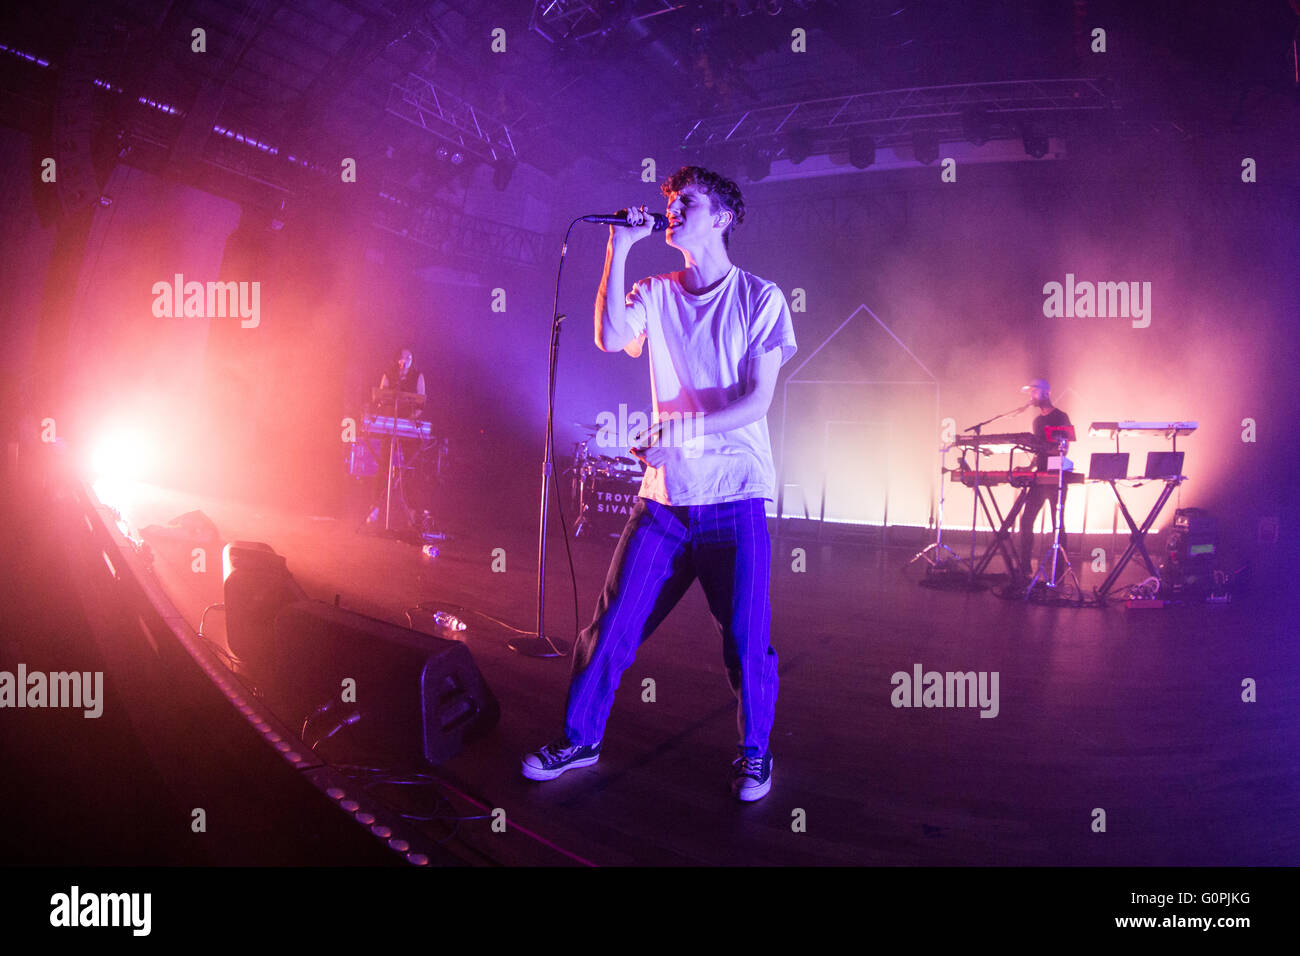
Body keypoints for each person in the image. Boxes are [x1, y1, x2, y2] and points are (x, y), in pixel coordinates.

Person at [521, 166, 797, 801]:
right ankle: (578, 739)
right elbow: (610, 335)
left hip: (735, 495)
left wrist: (686, 433)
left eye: (687, 203)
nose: (672, 210)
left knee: (747, 641)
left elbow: (757, 401)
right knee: (611, 625)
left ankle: (755, 754)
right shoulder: (656, 288)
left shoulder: (761, 298)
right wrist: (618, 249)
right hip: (666, 499)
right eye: (670, 201)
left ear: (722, 217)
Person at [1018, 378, 1072, 581]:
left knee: (1057, 522)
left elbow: (1064, 447)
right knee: (1026, 520)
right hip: (1039, 476)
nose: (1031, 396)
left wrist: (1046, 450)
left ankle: (1059, 568)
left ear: (1046, 393)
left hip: (1056, 476)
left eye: (1034, 392)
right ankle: (1024, 567)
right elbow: (1038, 451)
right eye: (1030, 392)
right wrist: (1030, 466)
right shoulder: (1037, 421)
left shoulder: (1061, 416)